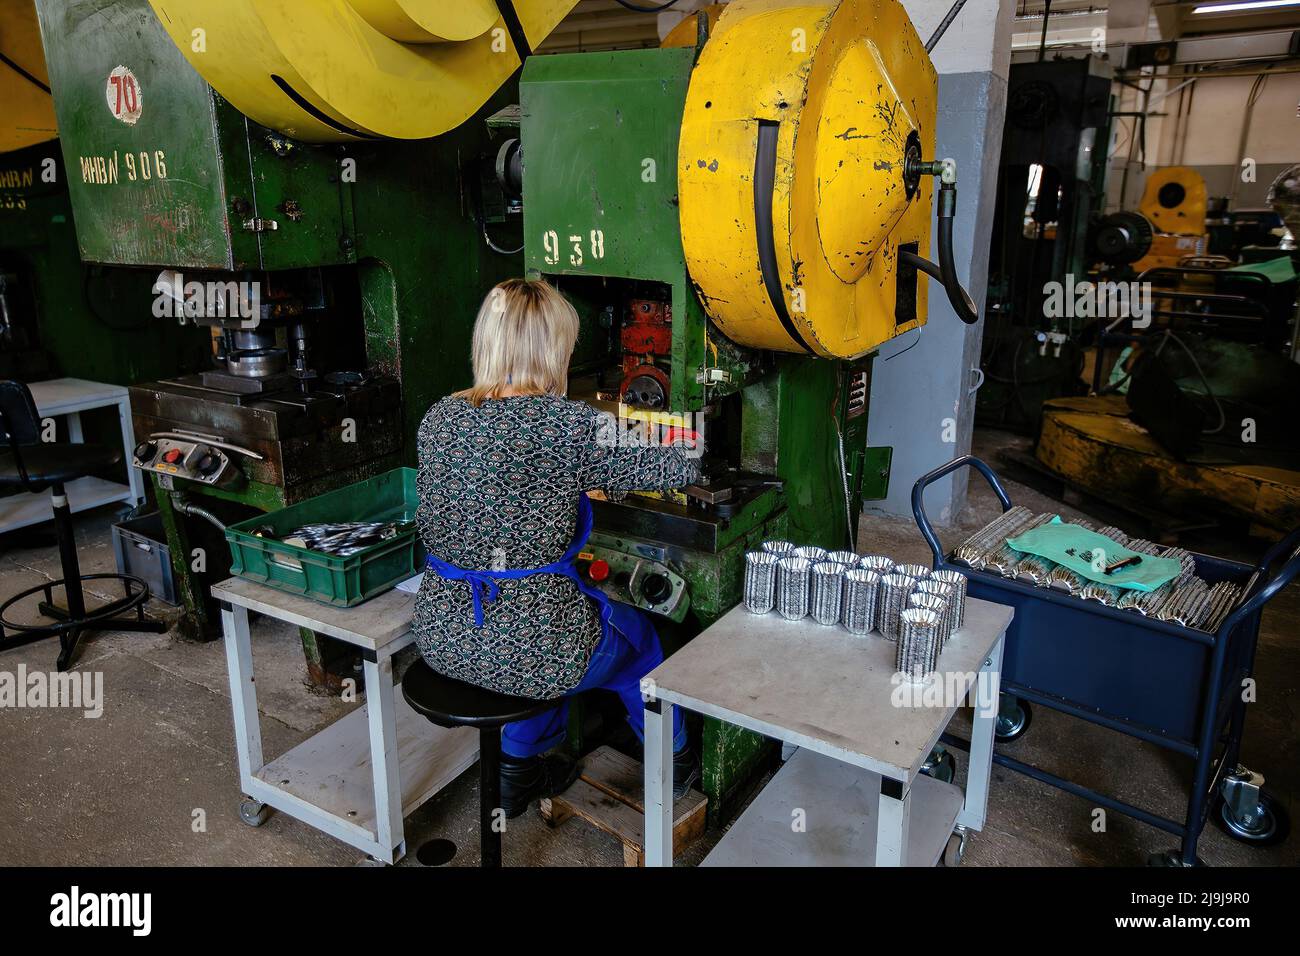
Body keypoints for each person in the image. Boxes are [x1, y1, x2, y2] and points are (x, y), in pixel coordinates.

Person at [412, 278, 701, 817]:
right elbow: (680, 460)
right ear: (554, 350)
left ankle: (515, 775)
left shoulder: (439, 418)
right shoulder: (569, 425)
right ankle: (676, 765)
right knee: (639, 647)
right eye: (567, 345)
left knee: (523, 632)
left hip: (442, 637)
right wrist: (693, 426)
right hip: (537, 651)